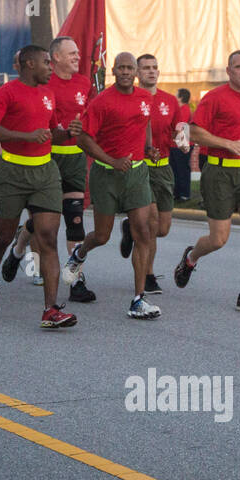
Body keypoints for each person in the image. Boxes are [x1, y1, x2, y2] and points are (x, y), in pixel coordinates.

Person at [173, 50, 240, 313]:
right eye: (239, 67)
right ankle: (191, 258)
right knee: (218, 239)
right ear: (229, 71)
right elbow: (195, 131)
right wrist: (226, 143)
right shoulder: (214, 98)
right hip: (219, 173)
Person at [0, 45, 76, 329]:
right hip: (12, 171)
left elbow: (51, 131)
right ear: (29, 64)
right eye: (46, 62)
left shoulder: (48, 93)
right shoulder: (6, 93)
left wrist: (68, 132)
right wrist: (25, 135)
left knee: (48, 237)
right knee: (5, 235)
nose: (50, 67)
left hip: (45, 171)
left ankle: (51, 310)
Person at [61, 52, 161, 319]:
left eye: (131, 68)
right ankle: (79, 254)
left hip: (137, 174)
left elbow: (146, 122)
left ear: (136, 71)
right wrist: (111, 161)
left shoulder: (145, 98)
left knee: (143, 232)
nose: (127, 72)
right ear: (114, 71)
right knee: (102, 236)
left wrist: (149, 148)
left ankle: (138, 300)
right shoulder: (102, 101)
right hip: (106, 174)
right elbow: (82, 138)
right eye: (122, 68)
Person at [3, 36, 97, 302]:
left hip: (75, 158)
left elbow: (90, 115)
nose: (78, 57)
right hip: (47, 158)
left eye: (78, 52)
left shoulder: (84, 83)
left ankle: (76, 280)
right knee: (44, 223)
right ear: (55, 58)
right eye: (72, 53)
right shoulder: (44, 83)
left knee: (75, 222)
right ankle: (18, 249)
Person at [133, 53, 189, 294]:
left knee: (163, 228)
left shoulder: (169, 101)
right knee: (151, 222)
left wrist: (184, 140)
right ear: (137, 73)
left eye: (155, 67)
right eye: (145, 68)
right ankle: (148, 275)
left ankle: (130, 229)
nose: (151, 71)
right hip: (140, 169)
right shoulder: (132, 98)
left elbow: (178, 130)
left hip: (164, 168)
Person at [170, 88, 194, 202]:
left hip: (182, 145)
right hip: (176, 145)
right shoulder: (180, 109)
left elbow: (180, 126)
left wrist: (181, 145)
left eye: (176, 95)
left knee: (182, 170)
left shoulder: (184, 109)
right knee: (175, 170)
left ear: (180, 97)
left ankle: (184, 194)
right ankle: (177, 193)